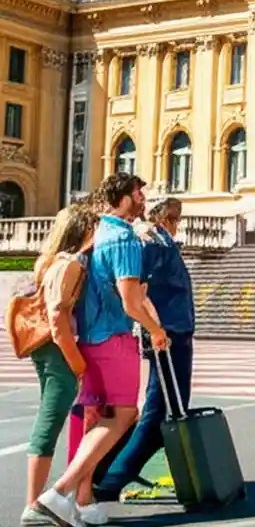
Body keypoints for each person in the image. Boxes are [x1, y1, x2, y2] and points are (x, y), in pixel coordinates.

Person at [33, 173, 169, 527]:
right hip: (114, 338)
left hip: (91, 340)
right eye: (139, 193)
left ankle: (81, 499)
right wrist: (156, 331)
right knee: (123, 415)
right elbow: (129, 301)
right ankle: (59, 492)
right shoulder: (124, 238)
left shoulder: (98, 234)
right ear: (122, 197)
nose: (143, 199)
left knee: (99, 417)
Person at [94, 198, 196, 502]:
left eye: (179, 217)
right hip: (168, 334)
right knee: (159, 413)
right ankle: (111, 476)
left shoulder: (160, 238)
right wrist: (154, 327)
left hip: (174, 330)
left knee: (165, 410)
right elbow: (138, 289)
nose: (177, 223)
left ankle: (105, 469)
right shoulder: (150, 239)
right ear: (159, 216)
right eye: (174, 217)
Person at [12, 205, 97, 526]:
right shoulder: (69, 264)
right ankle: (33, 506)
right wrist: (78, 365)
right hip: (58, 349)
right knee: (48, 423)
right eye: (93, 227)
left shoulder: (46, 261)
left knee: (48, 420)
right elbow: (59, 318)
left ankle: (36, 503)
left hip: (45, 348)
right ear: (82, 231)